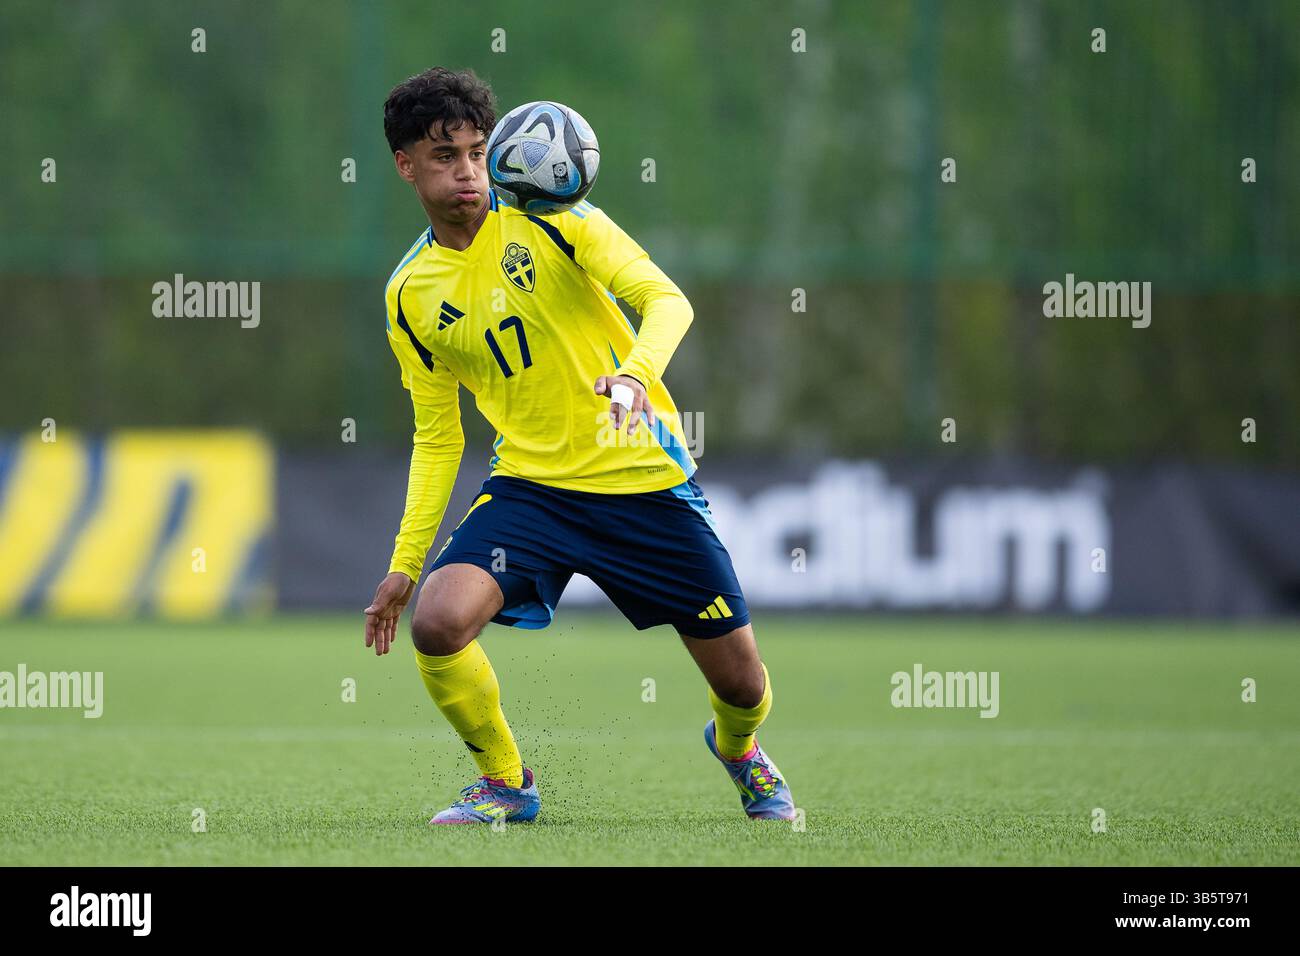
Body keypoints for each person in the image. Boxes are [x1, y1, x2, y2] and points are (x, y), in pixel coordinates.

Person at [363, 66, 794, 824]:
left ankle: (740, 751)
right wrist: (405, 564)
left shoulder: (553, 216)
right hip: (532, 489)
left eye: (474, 152)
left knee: (743, 684)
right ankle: (505, 782)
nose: (465, 172)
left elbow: (666, 299)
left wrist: (632, 376)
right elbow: (437, 436)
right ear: (404, 164)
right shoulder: (410, 294)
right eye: (443, 157)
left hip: (642, 477)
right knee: (438, 619)